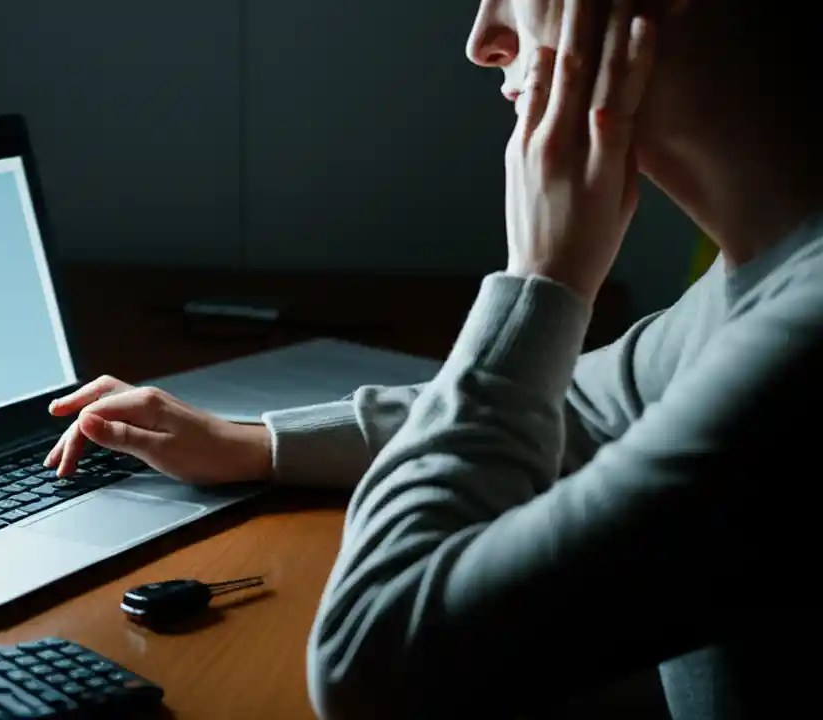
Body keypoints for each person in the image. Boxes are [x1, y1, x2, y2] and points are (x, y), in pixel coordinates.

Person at [43, 0, 822, 717]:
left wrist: (541, 281)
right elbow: (574, 407)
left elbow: (372, 662)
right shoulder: (760, 279)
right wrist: (256, 444)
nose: (483, 42)